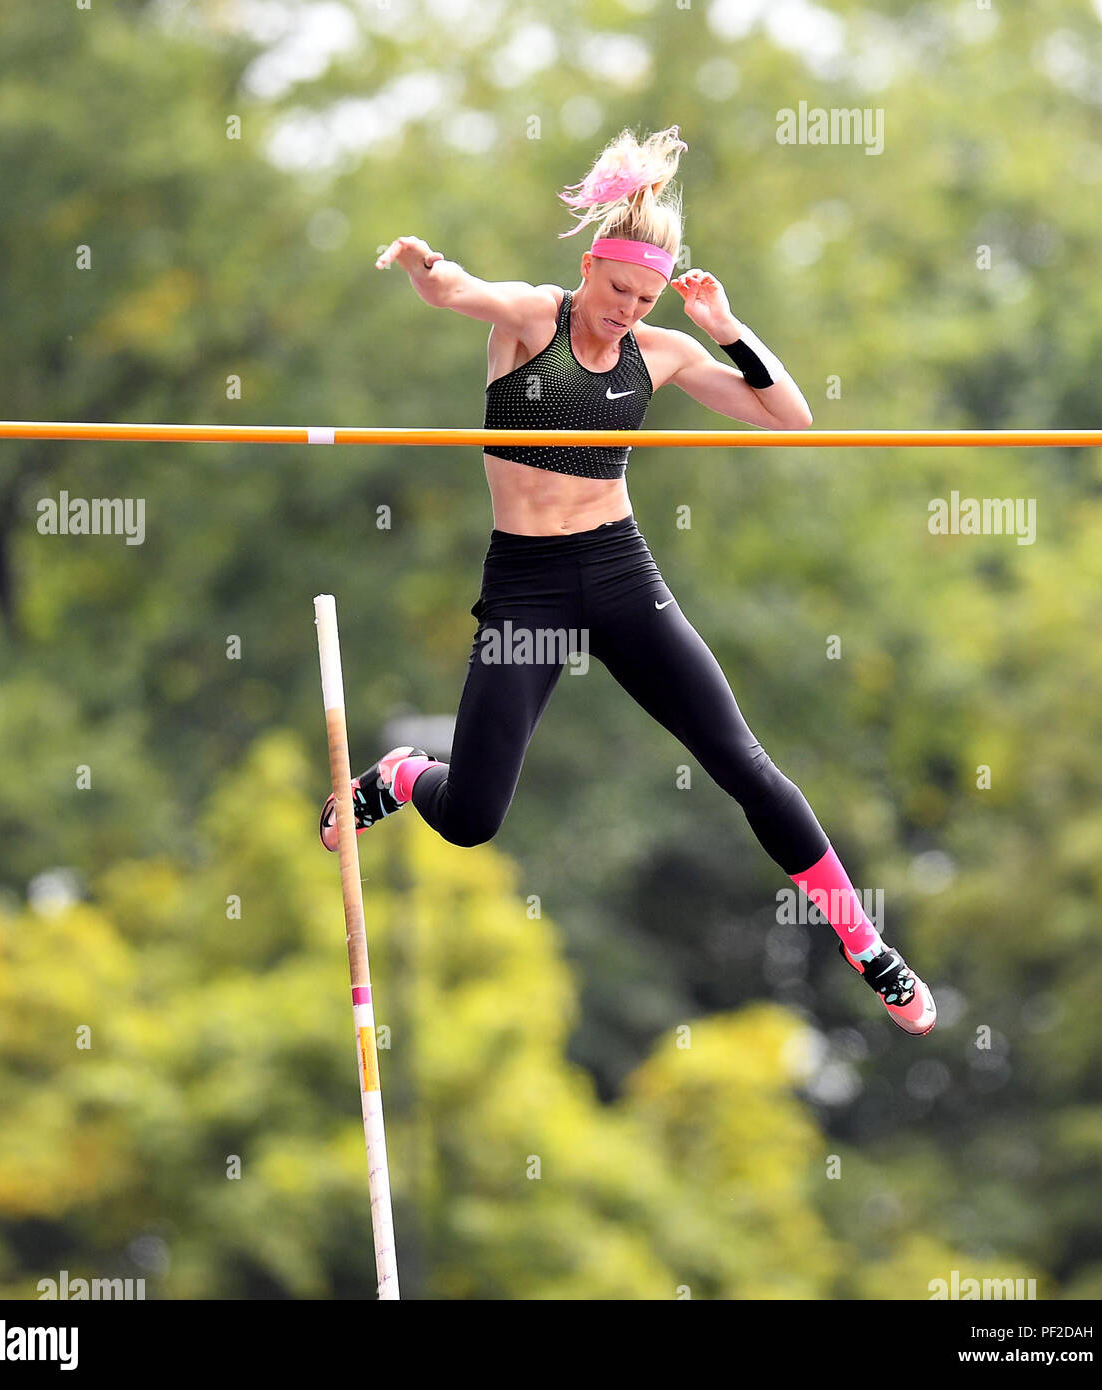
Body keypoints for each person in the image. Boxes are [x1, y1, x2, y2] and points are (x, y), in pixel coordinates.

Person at [321, 125, 935, 1035]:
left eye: (645, 299)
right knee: (474, 816)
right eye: (616, 291)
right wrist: (422, 264)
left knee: (744, 764)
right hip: (527, 587)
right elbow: (454, 291)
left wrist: (725, 330)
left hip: (618, 574)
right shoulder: (534, 317)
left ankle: (864, 944)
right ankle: (404, 780)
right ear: (590, 268)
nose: (625, 311)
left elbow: (789, 417)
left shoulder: (665, 353)